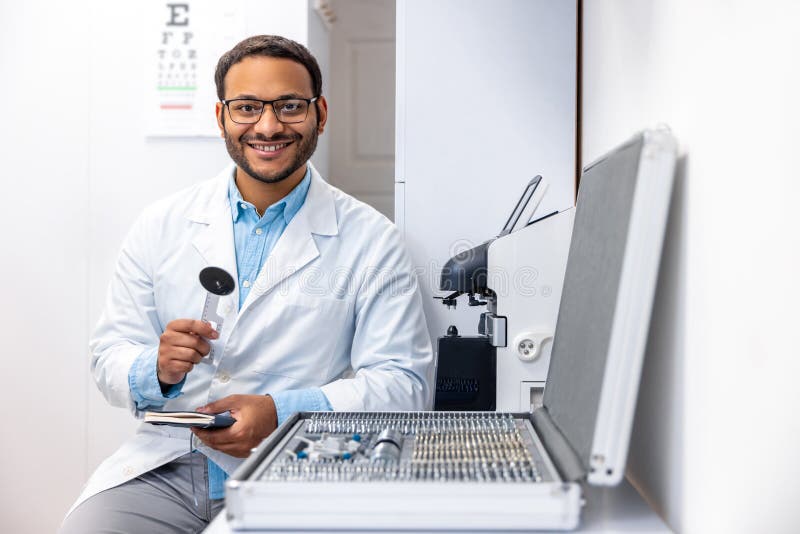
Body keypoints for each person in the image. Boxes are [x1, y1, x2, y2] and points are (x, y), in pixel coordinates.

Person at [60, 35, 433, 533]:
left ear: (320, 113)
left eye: (290, 106)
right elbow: (108, 354)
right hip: (170, 466)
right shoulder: (162, 224)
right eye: (247, 107)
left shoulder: (372, 239)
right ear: (221, 118)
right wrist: (156, 368)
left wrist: (281, 413)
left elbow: (403, 385)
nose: (269, 125)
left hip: (297, 466)